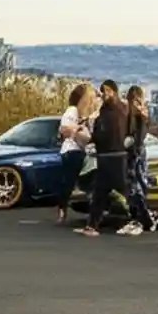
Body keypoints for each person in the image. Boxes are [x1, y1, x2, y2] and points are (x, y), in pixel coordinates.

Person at [76, 80, 129, 237]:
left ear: (114, 91)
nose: (104, 94)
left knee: (124, 191)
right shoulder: (105, 111)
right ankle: (92, 226)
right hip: (104, 156)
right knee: (99, 192)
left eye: (107, 90)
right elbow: (99, 134)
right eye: (102, 91)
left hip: (117, 157)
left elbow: (110, 133)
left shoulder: (121, 110)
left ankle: (136, 220)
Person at [117, 85, 158, 235]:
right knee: (131, 188)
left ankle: (145, 220)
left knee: (137, 187)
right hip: (129, 154)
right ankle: (140, 218)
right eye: (132, 101)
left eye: (137, 101)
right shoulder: (128, 117)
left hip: (136, 154)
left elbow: (140, 139)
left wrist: (133, 150)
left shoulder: (141, 118)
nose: (134, 104)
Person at [56, 83, 97, 224]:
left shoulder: (89, 114)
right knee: (70, 180)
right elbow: (64, 128)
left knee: (80, 178)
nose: (91, 101)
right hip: (71, 150)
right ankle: (63, 208)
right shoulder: (72, 111)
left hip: (82, 150)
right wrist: (78, 129)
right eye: (89, 98)